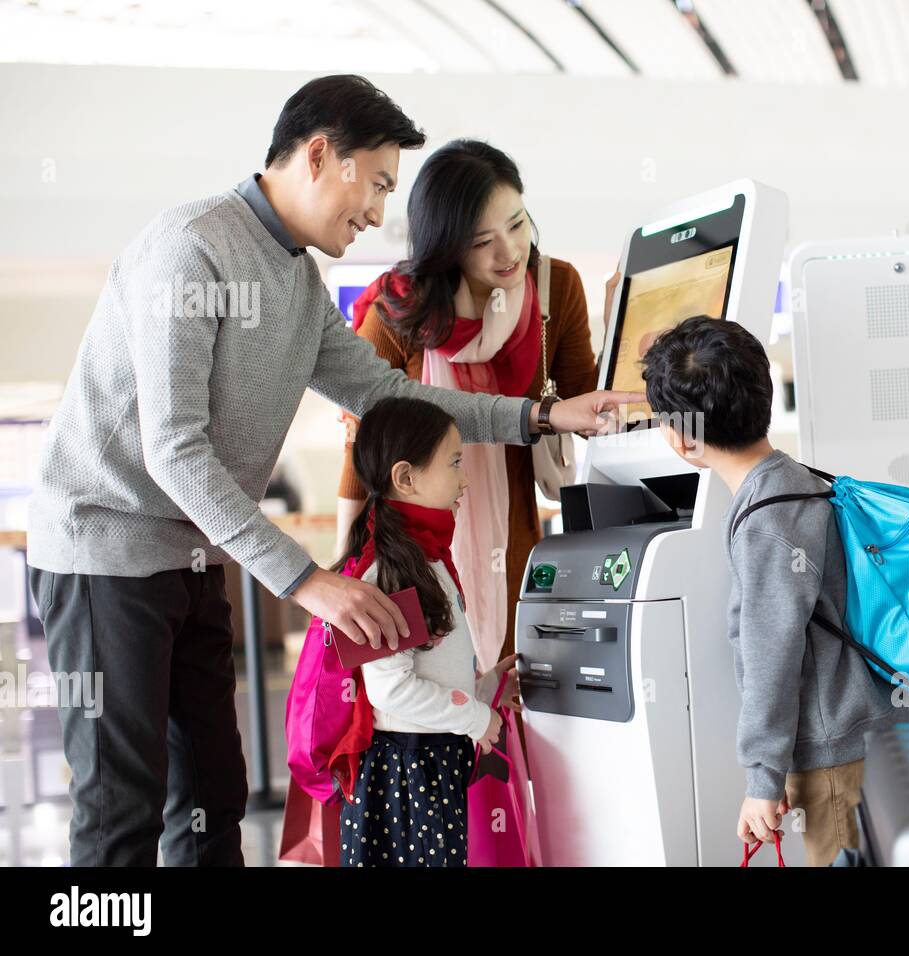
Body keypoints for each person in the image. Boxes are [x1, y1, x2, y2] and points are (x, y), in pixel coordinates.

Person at [25, 73, 639, 866]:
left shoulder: (296, 282)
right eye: (377, 184)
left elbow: (392, 395)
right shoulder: (190, 248)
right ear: (320, 156)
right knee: (121, 813)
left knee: (212, 796)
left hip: (194, 558)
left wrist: (542, 416)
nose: (381, 212)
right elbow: (172, 447)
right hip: (106, 556)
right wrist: (309, 581)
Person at [639, 315, 909, 867]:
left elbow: (771, 655)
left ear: (681, 436)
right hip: (863, 735)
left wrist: (762, 779)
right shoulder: (796, 481)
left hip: (836, 754)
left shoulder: (767, 519)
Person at [337, 139, 607, 670]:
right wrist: (343, 573)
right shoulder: (399, 311)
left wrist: (627, 331)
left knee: (514, 695)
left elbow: (590, 404)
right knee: (426, 705)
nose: (509, 252)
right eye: (482, 241)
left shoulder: (555, 289)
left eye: (517, 223)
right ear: (446, 247)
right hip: (408, 555)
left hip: (518, 543)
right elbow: (359, 444)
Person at [333, 396, 517, 867]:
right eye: (455, 462)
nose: (466, 477)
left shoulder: (428, 559)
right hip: (406, 773)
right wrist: (477, 719)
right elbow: (391, 691)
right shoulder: (388, 574)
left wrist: (488, 685)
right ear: (406, 477)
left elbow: (431, 675)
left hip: (429, 760)